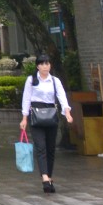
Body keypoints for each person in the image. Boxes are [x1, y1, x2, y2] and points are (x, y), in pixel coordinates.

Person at [19, 54, 73, 193]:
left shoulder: (55, 81)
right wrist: (24, 118)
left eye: (47, 63)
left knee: (50, 148)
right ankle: (44, 178)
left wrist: (67, 112)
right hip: (35, 116)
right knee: (41, 147)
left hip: (51, 116)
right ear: (37, 66)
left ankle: (49, 177)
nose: (45, 66)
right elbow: (26, 99)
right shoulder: (31, 80)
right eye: (42, 64)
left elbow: (61, 96)